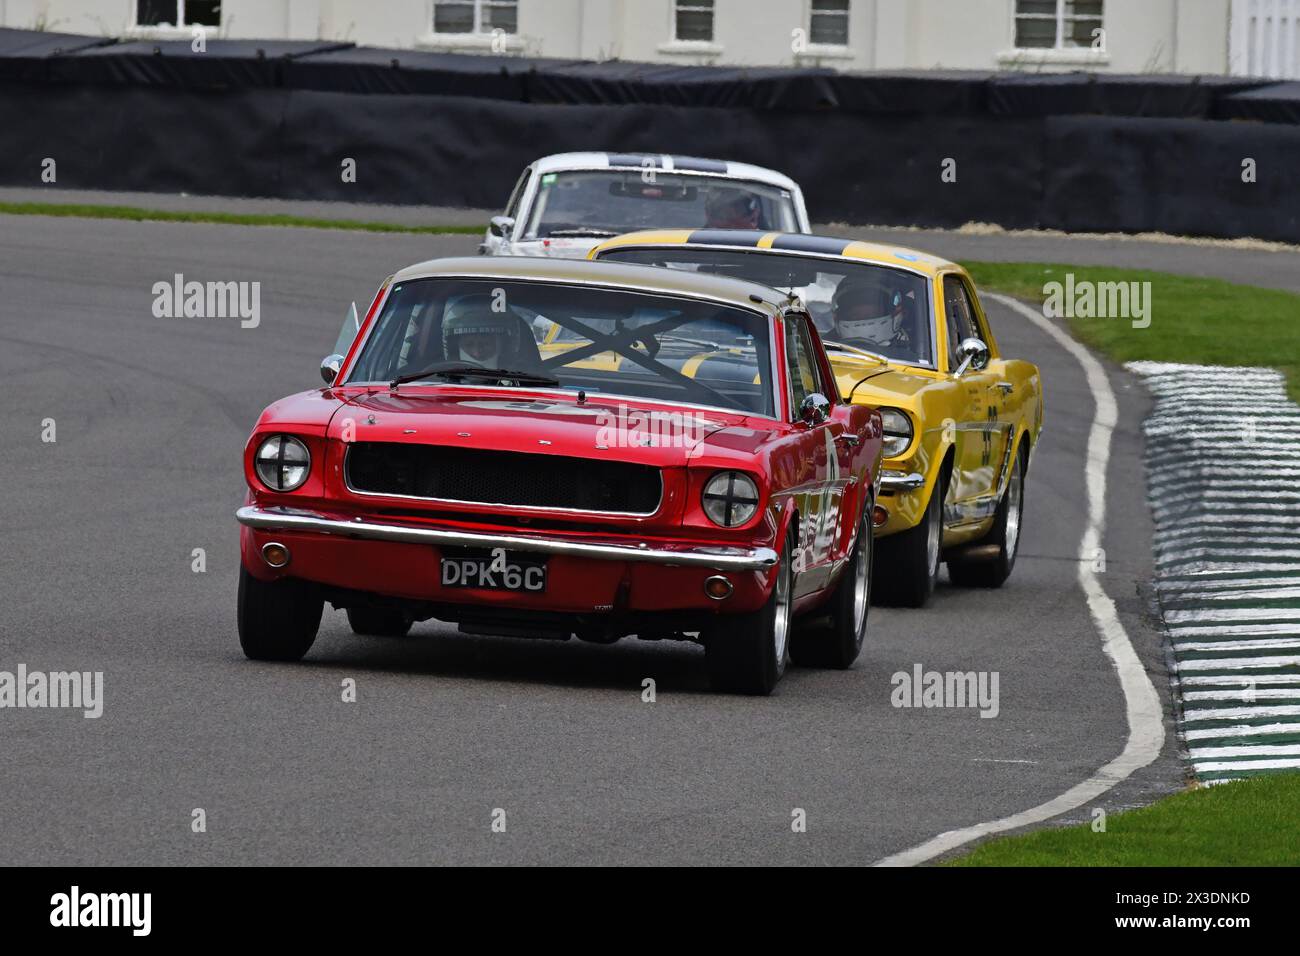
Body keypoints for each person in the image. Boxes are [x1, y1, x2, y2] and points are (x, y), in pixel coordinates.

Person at [441, 295, 538, 369]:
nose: (477, 353)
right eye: (469, 345)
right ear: (455, 348)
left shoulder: (524, 383)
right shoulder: (440, 379)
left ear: (504, 345)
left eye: (485, 344)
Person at [828, 274, 914, 353]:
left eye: (871, 315)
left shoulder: (916, 351)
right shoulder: (824, 348)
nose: (862, 320)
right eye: (855, 316)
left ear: (896, 314)